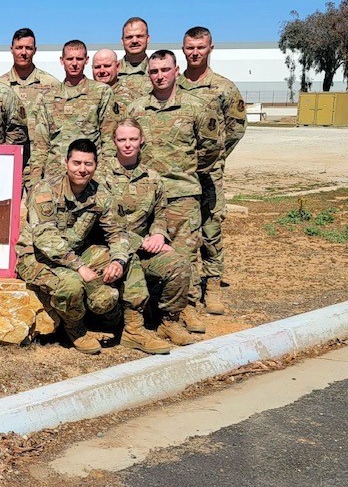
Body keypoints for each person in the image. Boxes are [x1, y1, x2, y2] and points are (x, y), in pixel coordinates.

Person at [124, 49, 221, 334]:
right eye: (154, 71)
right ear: (148, 73)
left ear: (175, 70)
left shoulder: (195, 107)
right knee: (148, 251)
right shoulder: (137, 109)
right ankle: (154, 305)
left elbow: (211, 147)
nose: (160, 76)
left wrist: (186, 171)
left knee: (186, 253)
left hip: (182, 194)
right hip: (147, 194)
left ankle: (187, 309)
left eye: (165, 70)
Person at [15, 139, 129, 355]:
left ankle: (117, 316)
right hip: (36, 257)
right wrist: (79, 267)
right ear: (66, 162)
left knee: (113, 258)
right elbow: (44, 239)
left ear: (96, 165)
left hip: (74, 253)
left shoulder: (100, 194)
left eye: (88, 164)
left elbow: (117, 232)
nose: (82, 169)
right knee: (71, 285)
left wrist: (118, 260)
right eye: (77, 163)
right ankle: (75, 328)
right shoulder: (45, 189)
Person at [100, 118, 195, 349]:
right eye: (122, 139)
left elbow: (160, 214)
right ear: (114, 142)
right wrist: (143, 242)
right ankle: (134, 328)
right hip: (111, 249)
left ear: (142, 140)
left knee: (179, 265)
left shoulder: (153, 178)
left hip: (144, 248)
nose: (128, 144)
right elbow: (102, 223)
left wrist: (159, 236)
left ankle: (168, 321)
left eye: (133, 139)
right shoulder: (100, 176)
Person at [180, 26, 247, 316]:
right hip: (181, 174)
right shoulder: (174, 84)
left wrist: (214, 159)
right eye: (190, 48)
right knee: (184, 231)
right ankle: (190, 287)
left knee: (210, 228)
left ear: (210, 48)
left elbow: (236, 129)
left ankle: (213, 284)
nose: (195, 53)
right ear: (183, 49)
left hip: (208, 174)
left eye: (200, 47)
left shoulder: (224, 87)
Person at [29, 40, 116, 186]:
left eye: (79, 59)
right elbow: (40, 145)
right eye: (70, 59)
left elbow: (108, 140)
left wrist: (105, 177)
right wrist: (34, 183)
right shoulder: (48, 97)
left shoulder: (101, 92)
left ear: (86, 60)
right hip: (55, 177)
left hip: (89, 176)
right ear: (62, 61)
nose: (74, 63)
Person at [0, 27, 56, 110]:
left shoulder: (52, 84)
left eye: (28, 48)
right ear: (11, 50)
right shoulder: (0, 85)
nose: (24, 53)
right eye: (19, 48)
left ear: (35, 50)